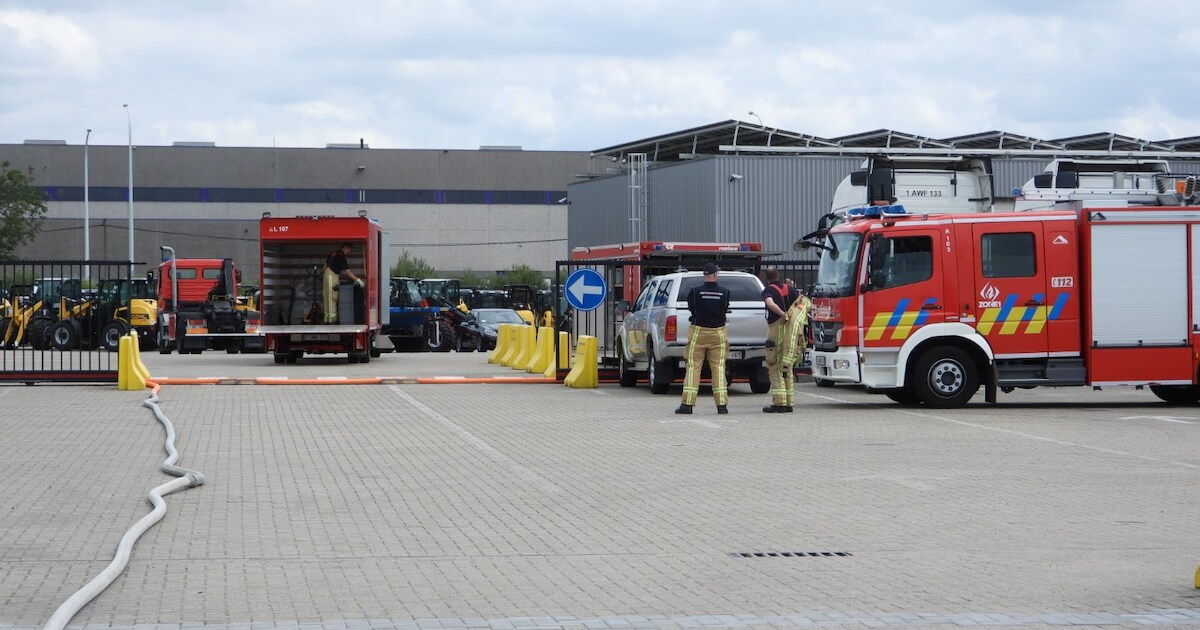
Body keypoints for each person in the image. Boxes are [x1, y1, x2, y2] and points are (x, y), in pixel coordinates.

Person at [676, 262, 731, 415]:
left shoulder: (695, 292)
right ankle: (722, 405)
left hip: (698, 332)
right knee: (719, 368)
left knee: (693, 368)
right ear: (715, 275)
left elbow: (691, 307)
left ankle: (687, 405)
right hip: (718, 333)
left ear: (705, 275)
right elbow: (725, 308)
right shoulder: (725, 292)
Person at [761, 267, 807, 413]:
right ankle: (789, 403)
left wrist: (782, 314)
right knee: (787, 366)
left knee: (774, 366)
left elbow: (770, 303)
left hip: (776, 331)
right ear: (778, 275)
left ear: (766, 278)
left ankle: (779, 403)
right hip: (790, 332)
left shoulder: (768, 290)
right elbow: (801, 303)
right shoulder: (790, 289)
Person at [323, 241, 365, 324]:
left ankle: (327, 319)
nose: (348, 253)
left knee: (326, 296)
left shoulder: (333, 253)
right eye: (349, 251)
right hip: (332, 276)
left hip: (326, 275)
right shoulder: (341, 256)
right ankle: (332, 320)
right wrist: (358, 279)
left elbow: (324, 266)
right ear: (346, 248)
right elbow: (347, 271)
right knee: (333, 297)